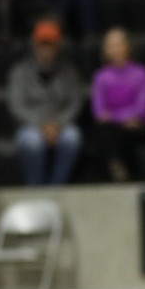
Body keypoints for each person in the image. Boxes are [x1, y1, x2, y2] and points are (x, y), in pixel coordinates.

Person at [8, 20, 85, 185]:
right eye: (42, 44)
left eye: (50, 44)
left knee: (72, 137)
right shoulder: (20, 72)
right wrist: (41, 125)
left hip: (60, 126)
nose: (46, 49)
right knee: (32, 142)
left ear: (58, 46)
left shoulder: (69, 72)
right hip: (31, 126)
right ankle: (35, 187)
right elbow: (17, 106)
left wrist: (57, 124)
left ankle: (57, 187)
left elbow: (74, 103)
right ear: (35, 45)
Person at [90, 28, 145, 182]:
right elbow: (99, 110)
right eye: (111, 45)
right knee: (107, 132)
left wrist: (116, 116)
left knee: (120, 134)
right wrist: (121, 118)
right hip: (111, 128)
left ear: (128, 47)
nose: (115, 49)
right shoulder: (101, 76)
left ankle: (117, 167)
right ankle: (116, 167)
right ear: (105, 50)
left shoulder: (140, 73)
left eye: (118, 44)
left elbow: (142, 107)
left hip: (134, 126)